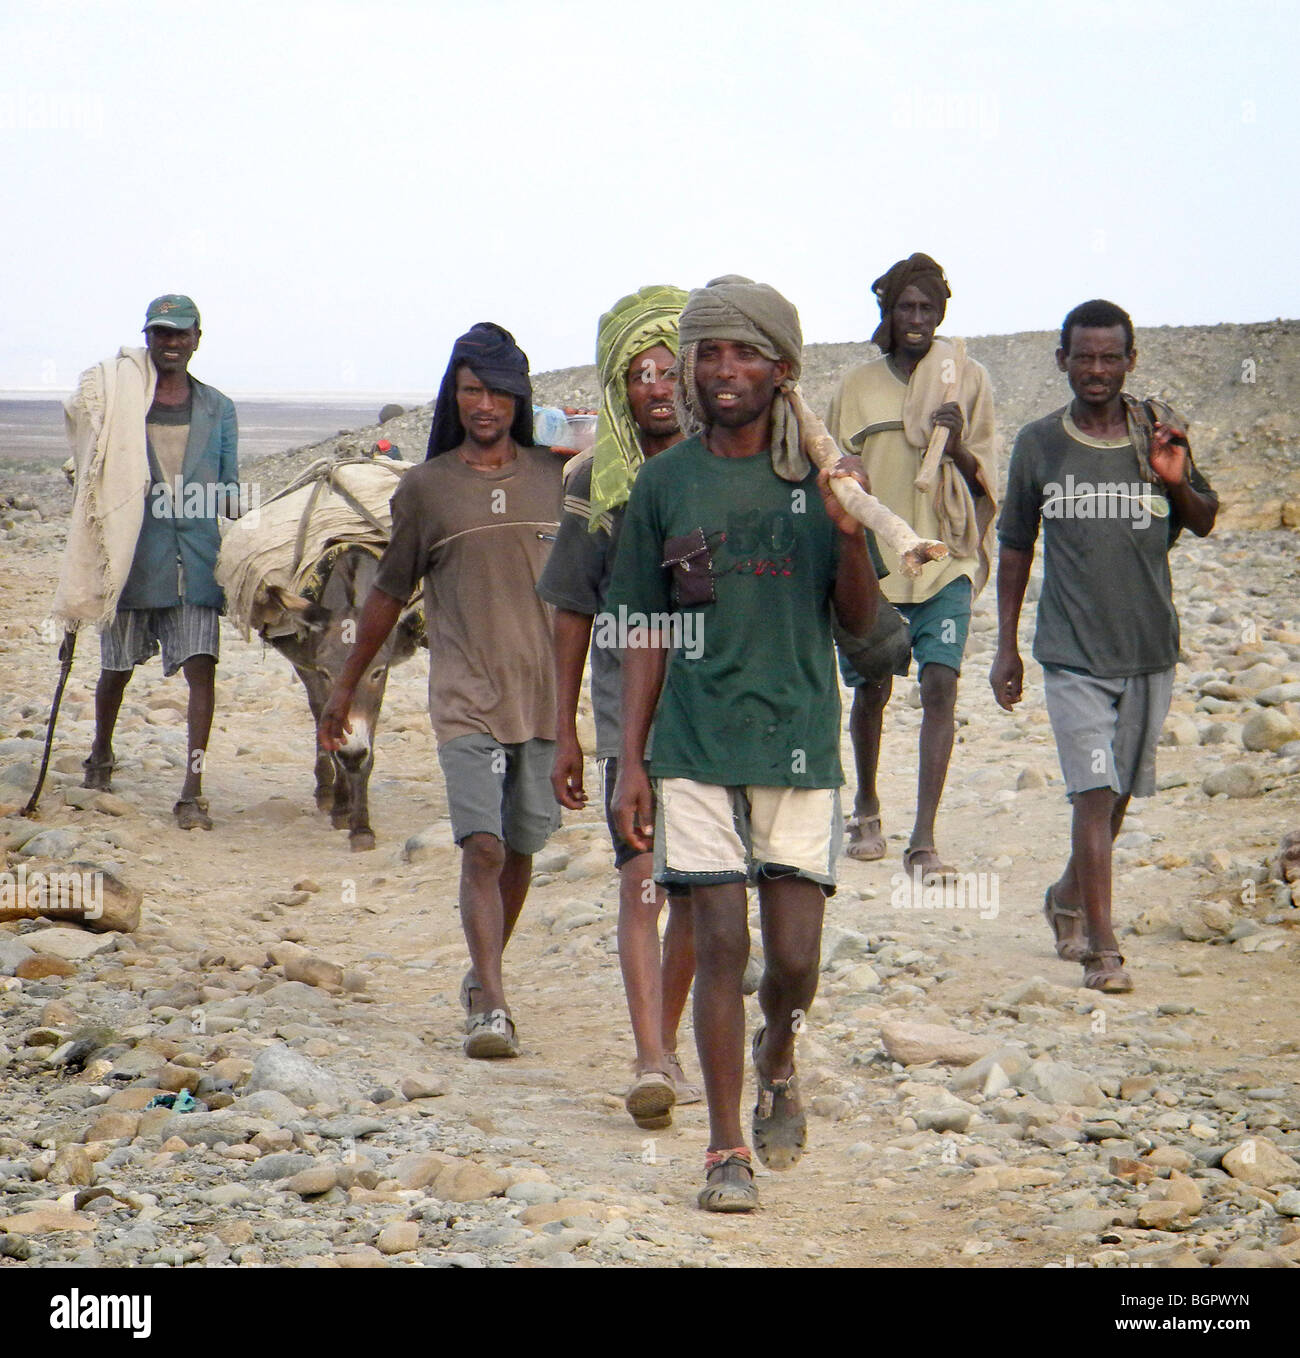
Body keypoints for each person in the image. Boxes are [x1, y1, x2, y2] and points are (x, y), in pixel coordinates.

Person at [607, 276, 880, 1212]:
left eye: (745, 353)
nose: (725, 370)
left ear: (782, 368)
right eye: (710, 353)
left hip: (799, 739)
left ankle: (780, 1050)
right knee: (720, 940)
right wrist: (629, 761)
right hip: (693, 744)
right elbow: (643, 626)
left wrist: (850, 534)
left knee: (794, 959)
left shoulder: (825, 480)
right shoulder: (666, 481)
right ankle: (726, 1149)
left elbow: (867, 630)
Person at [320, 322, 562, 1056]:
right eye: (469, 390)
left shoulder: (557, 476)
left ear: (518, 398)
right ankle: (491, 1002)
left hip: (544, 697)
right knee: (482, 846)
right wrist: (345, 686)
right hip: (464, 696)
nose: (482, 404)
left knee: (520, 847)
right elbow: (388, 595)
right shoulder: (427, 488)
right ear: (452, 398)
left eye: (495, 391)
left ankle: (483, 969)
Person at [990, 299, 1217, 993]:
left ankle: (1066, 896)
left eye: (1108, 357)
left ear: (1129, 361)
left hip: (1150, 648)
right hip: (1071, 654)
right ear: (1062, 361)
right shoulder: (1040, 444)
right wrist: (1007, 646)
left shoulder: (1157, 435)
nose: (1095, 370)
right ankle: (1102, 948)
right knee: (1093, 792)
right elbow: (1015, 545)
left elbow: (1204, 520)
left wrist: (1176, 482)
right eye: (1082, 357)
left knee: (1118, 797)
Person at [537, 285, 700, 1131]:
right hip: (624, 709)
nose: (658, 387)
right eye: (640, 373)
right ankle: (649, 1055)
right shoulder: (589, 481)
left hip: (713, 704)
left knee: (705, 889)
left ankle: (668, 1040)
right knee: (642, 876)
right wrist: (566, 730)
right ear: (618, 385)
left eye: (672, 369)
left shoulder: (726, 467)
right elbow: (571, 609)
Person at [826, 254, 997, 879]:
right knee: (871, 686)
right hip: (876, 563)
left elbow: (988, 481)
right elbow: (836, 474)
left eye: (927, 308)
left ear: (941, 313)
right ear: (888, 314)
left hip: (944, 557)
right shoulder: (856, 387)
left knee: (941, 685)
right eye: (905, 308)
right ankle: (867, 804)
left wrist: (956, 444)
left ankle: (923, 839)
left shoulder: (966, 380)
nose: (917, 319)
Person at [62, 294, 239, 831]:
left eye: (181, 333)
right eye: (162, 333)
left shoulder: (219, 408)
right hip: (133, 557)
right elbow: (92, 455)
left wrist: (233, 508)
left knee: (201, 672)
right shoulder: (122, 402)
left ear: (197, 338)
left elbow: (229, 484)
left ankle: (192, 789)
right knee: (115, 670)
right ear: (148, 338)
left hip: (196, 563)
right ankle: (100, 753)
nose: (171, 343)